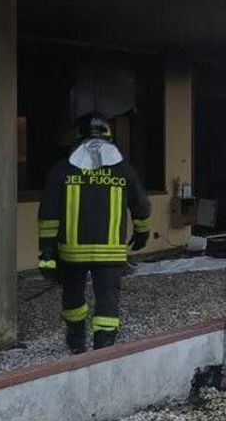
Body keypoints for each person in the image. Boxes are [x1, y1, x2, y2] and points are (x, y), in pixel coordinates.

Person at [38, 113, 151, 353]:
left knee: (73, 297)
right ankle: (103, 350)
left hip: (72, 253)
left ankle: (76, 342)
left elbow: (48, 211)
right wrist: (142, 231)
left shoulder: (63, 169)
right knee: (107, 302)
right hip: (109, 255)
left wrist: (46, 249)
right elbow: (141, 203)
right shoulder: (122, 169)